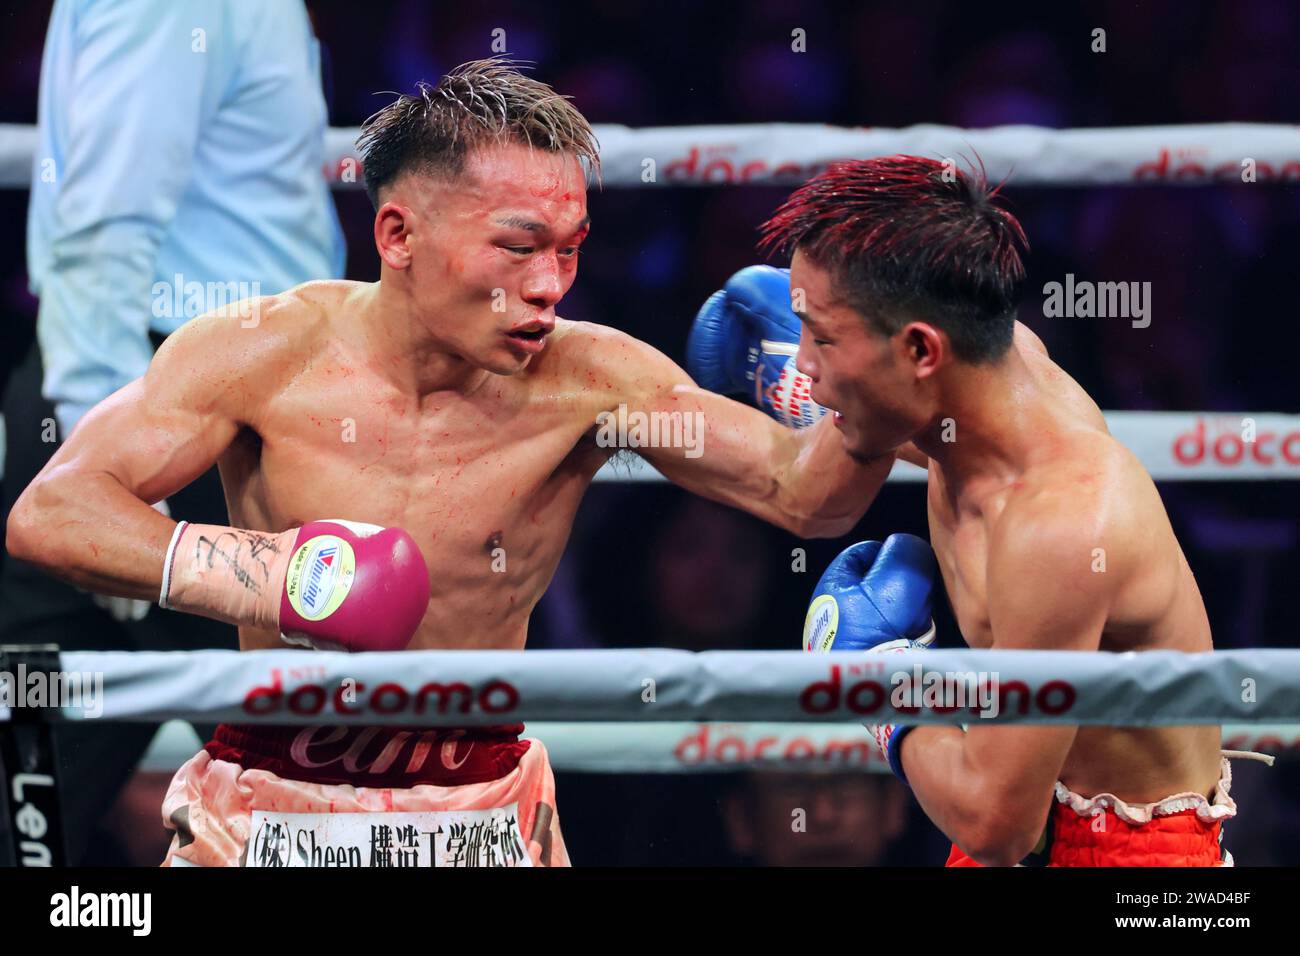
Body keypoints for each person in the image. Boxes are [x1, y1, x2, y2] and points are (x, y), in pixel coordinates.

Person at [5, 59, 894, 867]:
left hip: (479, 808)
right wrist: (268, 574)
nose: (551, 285)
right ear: (398, 236)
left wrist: (852, 380)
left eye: (571, 247)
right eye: (517, 247)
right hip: (271, 804)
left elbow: (806, 496)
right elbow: (54, 512)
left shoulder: (591, 378)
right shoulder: (260, 351)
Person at [752, 155, 1236, 866]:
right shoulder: (981, 384)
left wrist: (882, 688)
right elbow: (819, 479)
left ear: (920, 348)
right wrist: (805, 392)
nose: (802, 365)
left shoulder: (1062, 528)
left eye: (820, 340)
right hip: (1023, 812)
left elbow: (996, 827)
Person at [4, 0, 344, 864]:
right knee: (310, 796)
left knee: (299, 794)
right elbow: (102, 224)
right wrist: (104, 477)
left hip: (192, 401)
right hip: (160, 412)